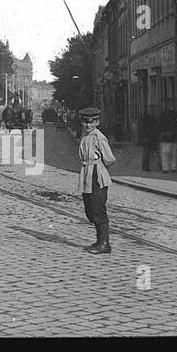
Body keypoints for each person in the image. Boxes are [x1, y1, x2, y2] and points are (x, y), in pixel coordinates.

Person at [77, 106, 115, 254]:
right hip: (87, 175)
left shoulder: (99, 137)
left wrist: (101, 169)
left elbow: (110, 159)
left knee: (98, 209)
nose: (88, 125)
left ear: (97, 122)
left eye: (92, 122)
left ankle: (105, 243)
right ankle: (99, 241)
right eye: (86, 122)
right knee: (90, 210)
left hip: (97, 176)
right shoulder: (85, 136)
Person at [159, 106, 177, 173]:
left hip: (165, 136)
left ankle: (165, 168)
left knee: (165, 153)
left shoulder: (162, 115)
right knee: (173, 152)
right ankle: (173, 167)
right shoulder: (176, 116)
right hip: (173, 136)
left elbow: (160, 126)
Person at [140, 105, 160, 172]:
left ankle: (149, 166)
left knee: (150, 153)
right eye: (151, 109)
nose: (153, 111)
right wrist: (143, 137)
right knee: (146, 153)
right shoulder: (145, 118)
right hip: (147, 138)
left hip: (152, 138)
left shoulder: (154, 118)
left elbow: (156, 128)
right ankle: (146, 167)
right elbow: (142, 129)